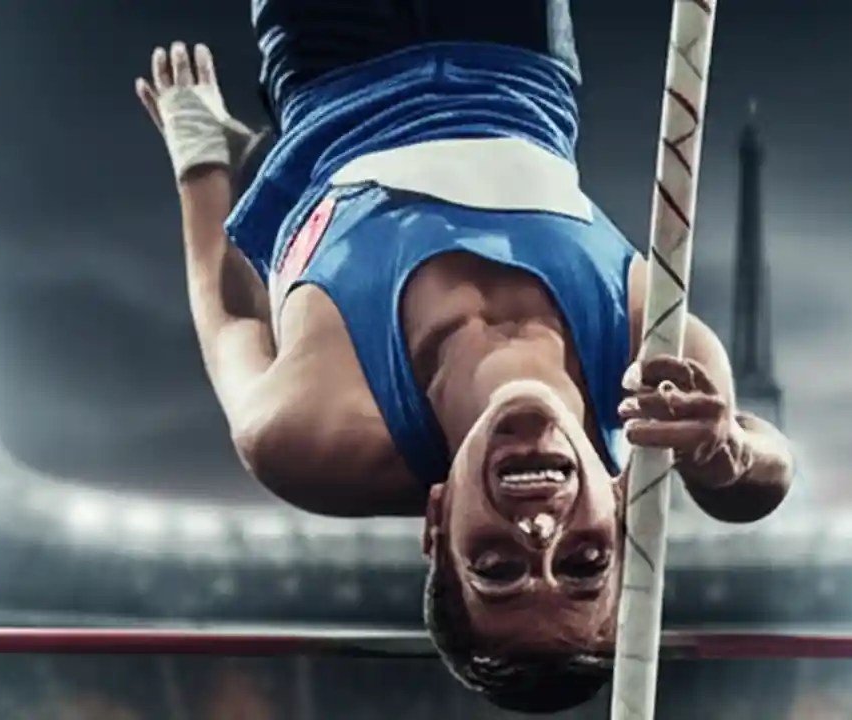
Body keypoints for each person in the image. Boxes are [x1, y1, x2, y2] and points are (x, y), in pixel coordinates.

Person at [134, 1, 794, 713]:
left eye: (496, 568)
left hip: (330, 52)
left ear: (437, 523)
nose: (539, 530)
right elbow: (762, 473)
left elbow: (235, 320)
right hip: (509, 42)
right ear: (620, 508)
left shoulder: (316, 434)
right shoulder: (645, 365)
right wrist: (725, 449)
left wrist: (199, 155)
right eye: (583, 565)